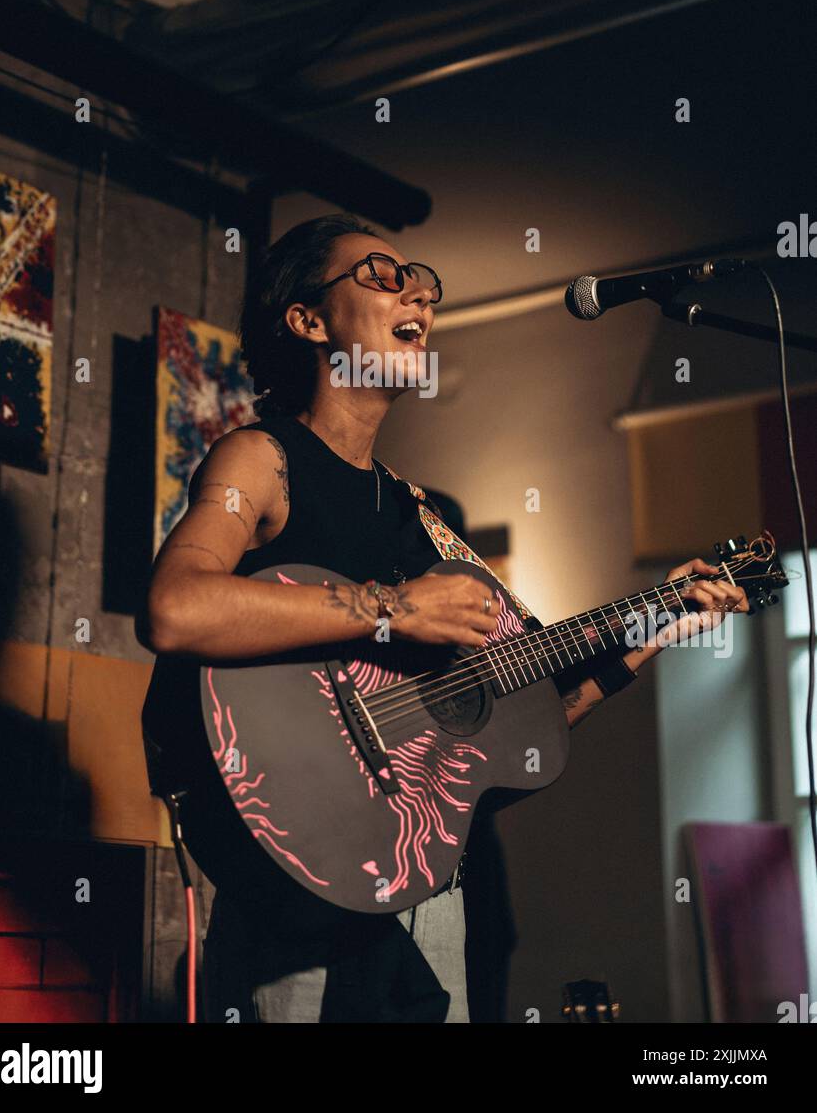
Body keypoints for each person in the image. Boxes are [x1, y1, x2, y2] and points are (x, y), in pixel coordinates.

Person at [140, 214, 748, 1023]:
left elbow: (525, 717)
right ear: (309, 320)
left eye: (422, 283)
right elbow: (175, 607)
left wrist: (657, 627)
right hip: (299, 892)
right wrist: (395, 609)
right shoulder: (263, 459)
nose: (420, 295)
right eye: (383, 276)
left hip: (429, 896)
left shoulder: (420, 516)